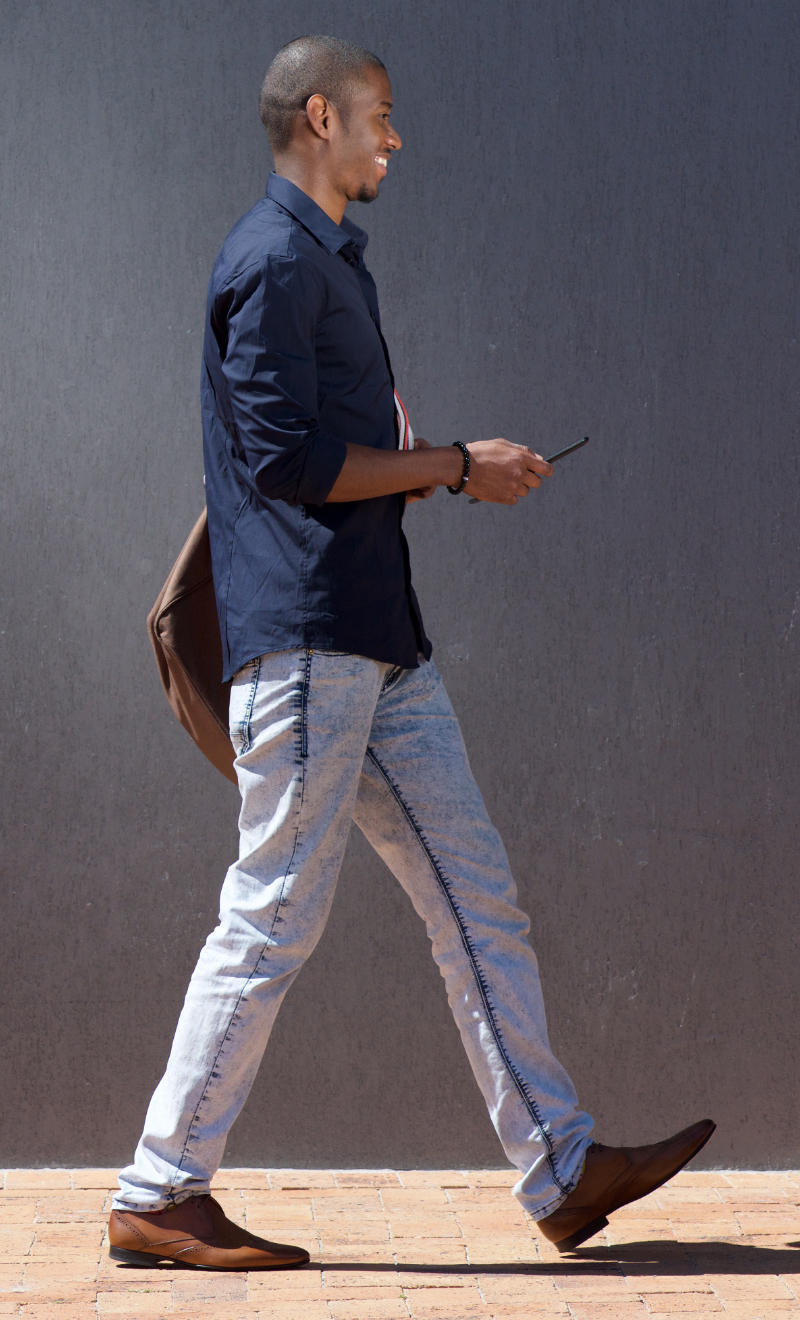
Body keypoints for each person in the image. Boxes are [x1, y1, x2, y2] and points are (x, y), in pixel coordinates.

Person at [109, 35, 714, 1271]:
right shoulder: (273, 262)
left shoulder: (327, 262)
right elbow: (287, 466)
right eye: (379, 116)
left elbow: (331, 459)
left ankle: (558, 1164)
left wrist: (452, 473)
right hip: (310, 638)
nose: (395, 138)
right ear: (318, 117)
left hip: (378, 640)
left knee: (474, 896)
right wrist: (453, 465)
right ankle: (161, 1188)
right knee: (271, 914)